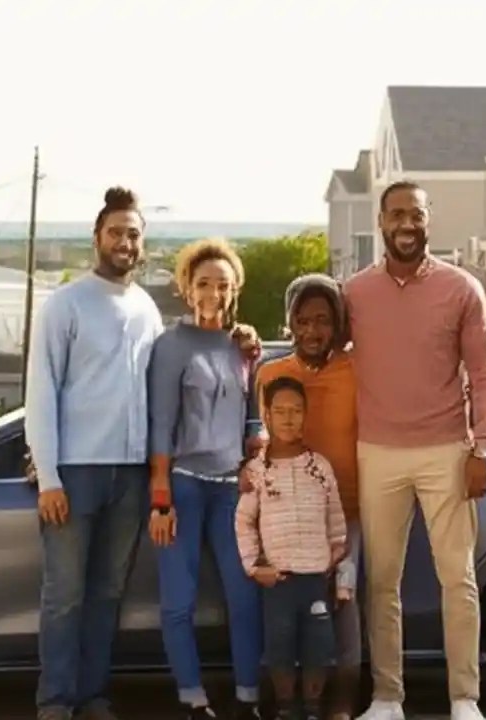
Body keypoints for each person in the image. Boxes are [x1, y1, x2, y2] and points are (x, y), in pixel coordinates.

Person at [344, 181, 486, 720]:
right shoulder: (355, 293)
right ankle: (387, 698)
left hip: (447, 452)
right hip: (377, 453)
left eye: (416, 213)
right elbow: (313, 342)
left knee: (457, 580)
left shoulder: (462, 288)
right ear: (381, 221)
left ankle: (465, 700)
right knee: (380, 581)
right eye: (396, 214)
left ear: (428, 220)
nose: (406, 223)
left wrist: (481, 448)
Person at [24, 187, 163, 720]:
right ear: (97, 238)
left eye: (133, 234)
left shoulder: (147, 308)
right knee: (65, 596)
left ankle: (92, 695)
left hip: (130, 475)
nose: (124, 242)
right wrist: (49, 478)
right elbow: (41, 390)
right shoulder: (65, 303)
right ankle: (55, 701)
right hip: (74, 475)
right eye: (115, 232)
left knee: (107, 595)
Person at [147, 237, 268, 720]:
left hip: (230, 490)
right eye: (202, 283)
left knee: (244, 597)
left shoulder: (243, 347)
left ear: (234, 289)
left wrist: (254, 456)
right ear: (185, 287)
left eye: (222, 284)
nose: (212, 292)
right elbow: (160, 423)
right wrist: (160, 499)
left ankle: (247, 697)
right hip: (182, 485)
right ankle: (192, 698)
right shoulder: (170, 346)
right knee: (179, 600)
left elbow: (252, 419)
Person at [251, 274, 362, 720]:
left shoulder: (357, 371)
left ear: (337, 325)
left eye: (323, 320)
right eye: (303, 320)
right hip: (286, 517)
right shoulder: (270, 374)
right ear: (289, 323)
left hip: (347, 512)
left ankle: (342, 703)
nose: (313, 331)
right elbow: (263, 434)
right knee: (288, 616)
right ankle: (290, 704)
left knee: (344, 607)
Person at [235, 375, 347, 720]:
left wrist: (338, 567)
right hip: (278, 581)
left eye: (296, 410)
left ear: (306, 414)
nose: (288, 418)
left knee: (319, 647)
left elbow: (337, 521)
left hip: (315, 578)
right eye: (280, 411)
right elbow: (243, 523)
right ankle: (286, 708)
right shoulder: (256, 472)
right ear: (266, 415)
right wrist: (255, 567)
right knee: (280, 647)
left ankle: (313, 708)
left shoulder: (320, 468)